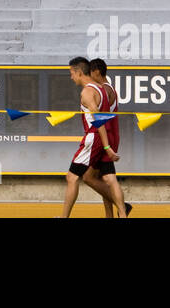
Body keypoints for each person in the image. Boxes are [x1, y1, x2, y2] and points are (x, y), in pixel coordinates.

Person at [60, 56, 127, 218]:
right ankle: (122, 213)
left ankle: (64, 217)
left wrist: (106, 146)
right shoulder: (101, 88)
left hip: (93, 138)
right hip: (103, 137)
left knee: (72, 177)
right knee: (107, 178)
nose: (71, 77)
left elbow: (98, 121)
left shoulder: (88, 92)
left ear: (79, 72)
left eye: (71, 73)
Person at [88, 58, 132, 218]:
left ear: (96, 72)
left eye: (90, 73)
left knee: (105, 178)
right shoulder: (108, 88)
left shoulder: (104, 90)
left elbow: (99, 114)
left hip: (107, 135)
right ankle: (109, 215)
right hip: (109, 134)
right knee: (102, 179)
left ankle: (122, 210)